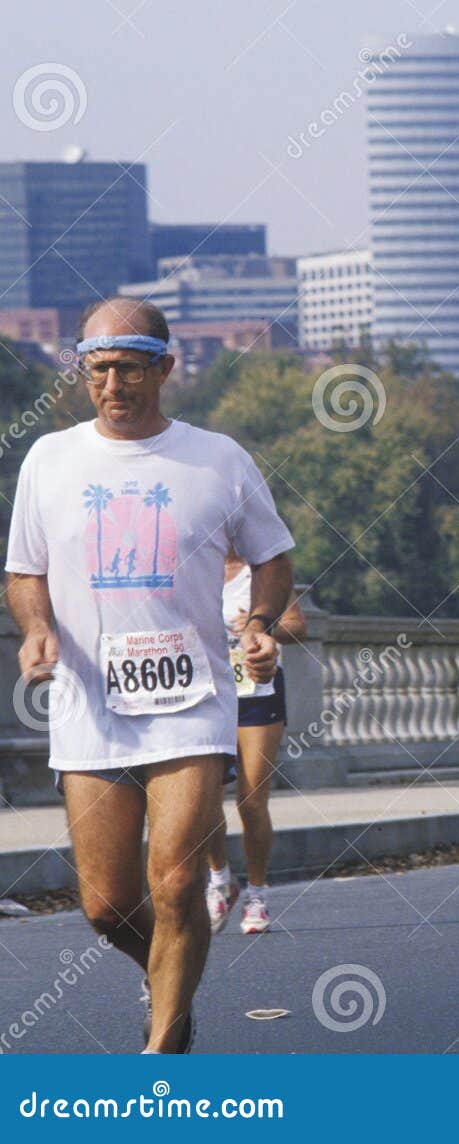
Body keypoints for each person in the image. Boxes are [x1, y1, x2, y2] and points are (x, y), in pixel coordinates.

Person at [5, 297, 294, 1052]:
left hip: (191, 703)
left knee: (174, 883)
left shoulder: (218, 458)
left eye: (129, 369)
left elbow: (274, 556)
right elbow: (24, 571)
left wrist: (259, 625)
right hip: (89, 706)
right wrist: (36, 628)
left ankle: (162, 1056)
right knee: (105, 904)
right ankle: (170, 975)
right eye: (97, 370)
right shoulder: (50, 459)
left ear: (164, 368)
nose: (113, 386)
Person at [204, 551, 309, 935]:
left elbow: (298, 626)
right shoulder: (194, 565)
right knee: (202, 798)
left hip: (257, 694)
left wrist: (262, 628)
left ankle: (257, 895)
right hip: (205, 694)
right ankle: (219, 881)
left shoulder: (262, 572)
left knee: (251, 800)